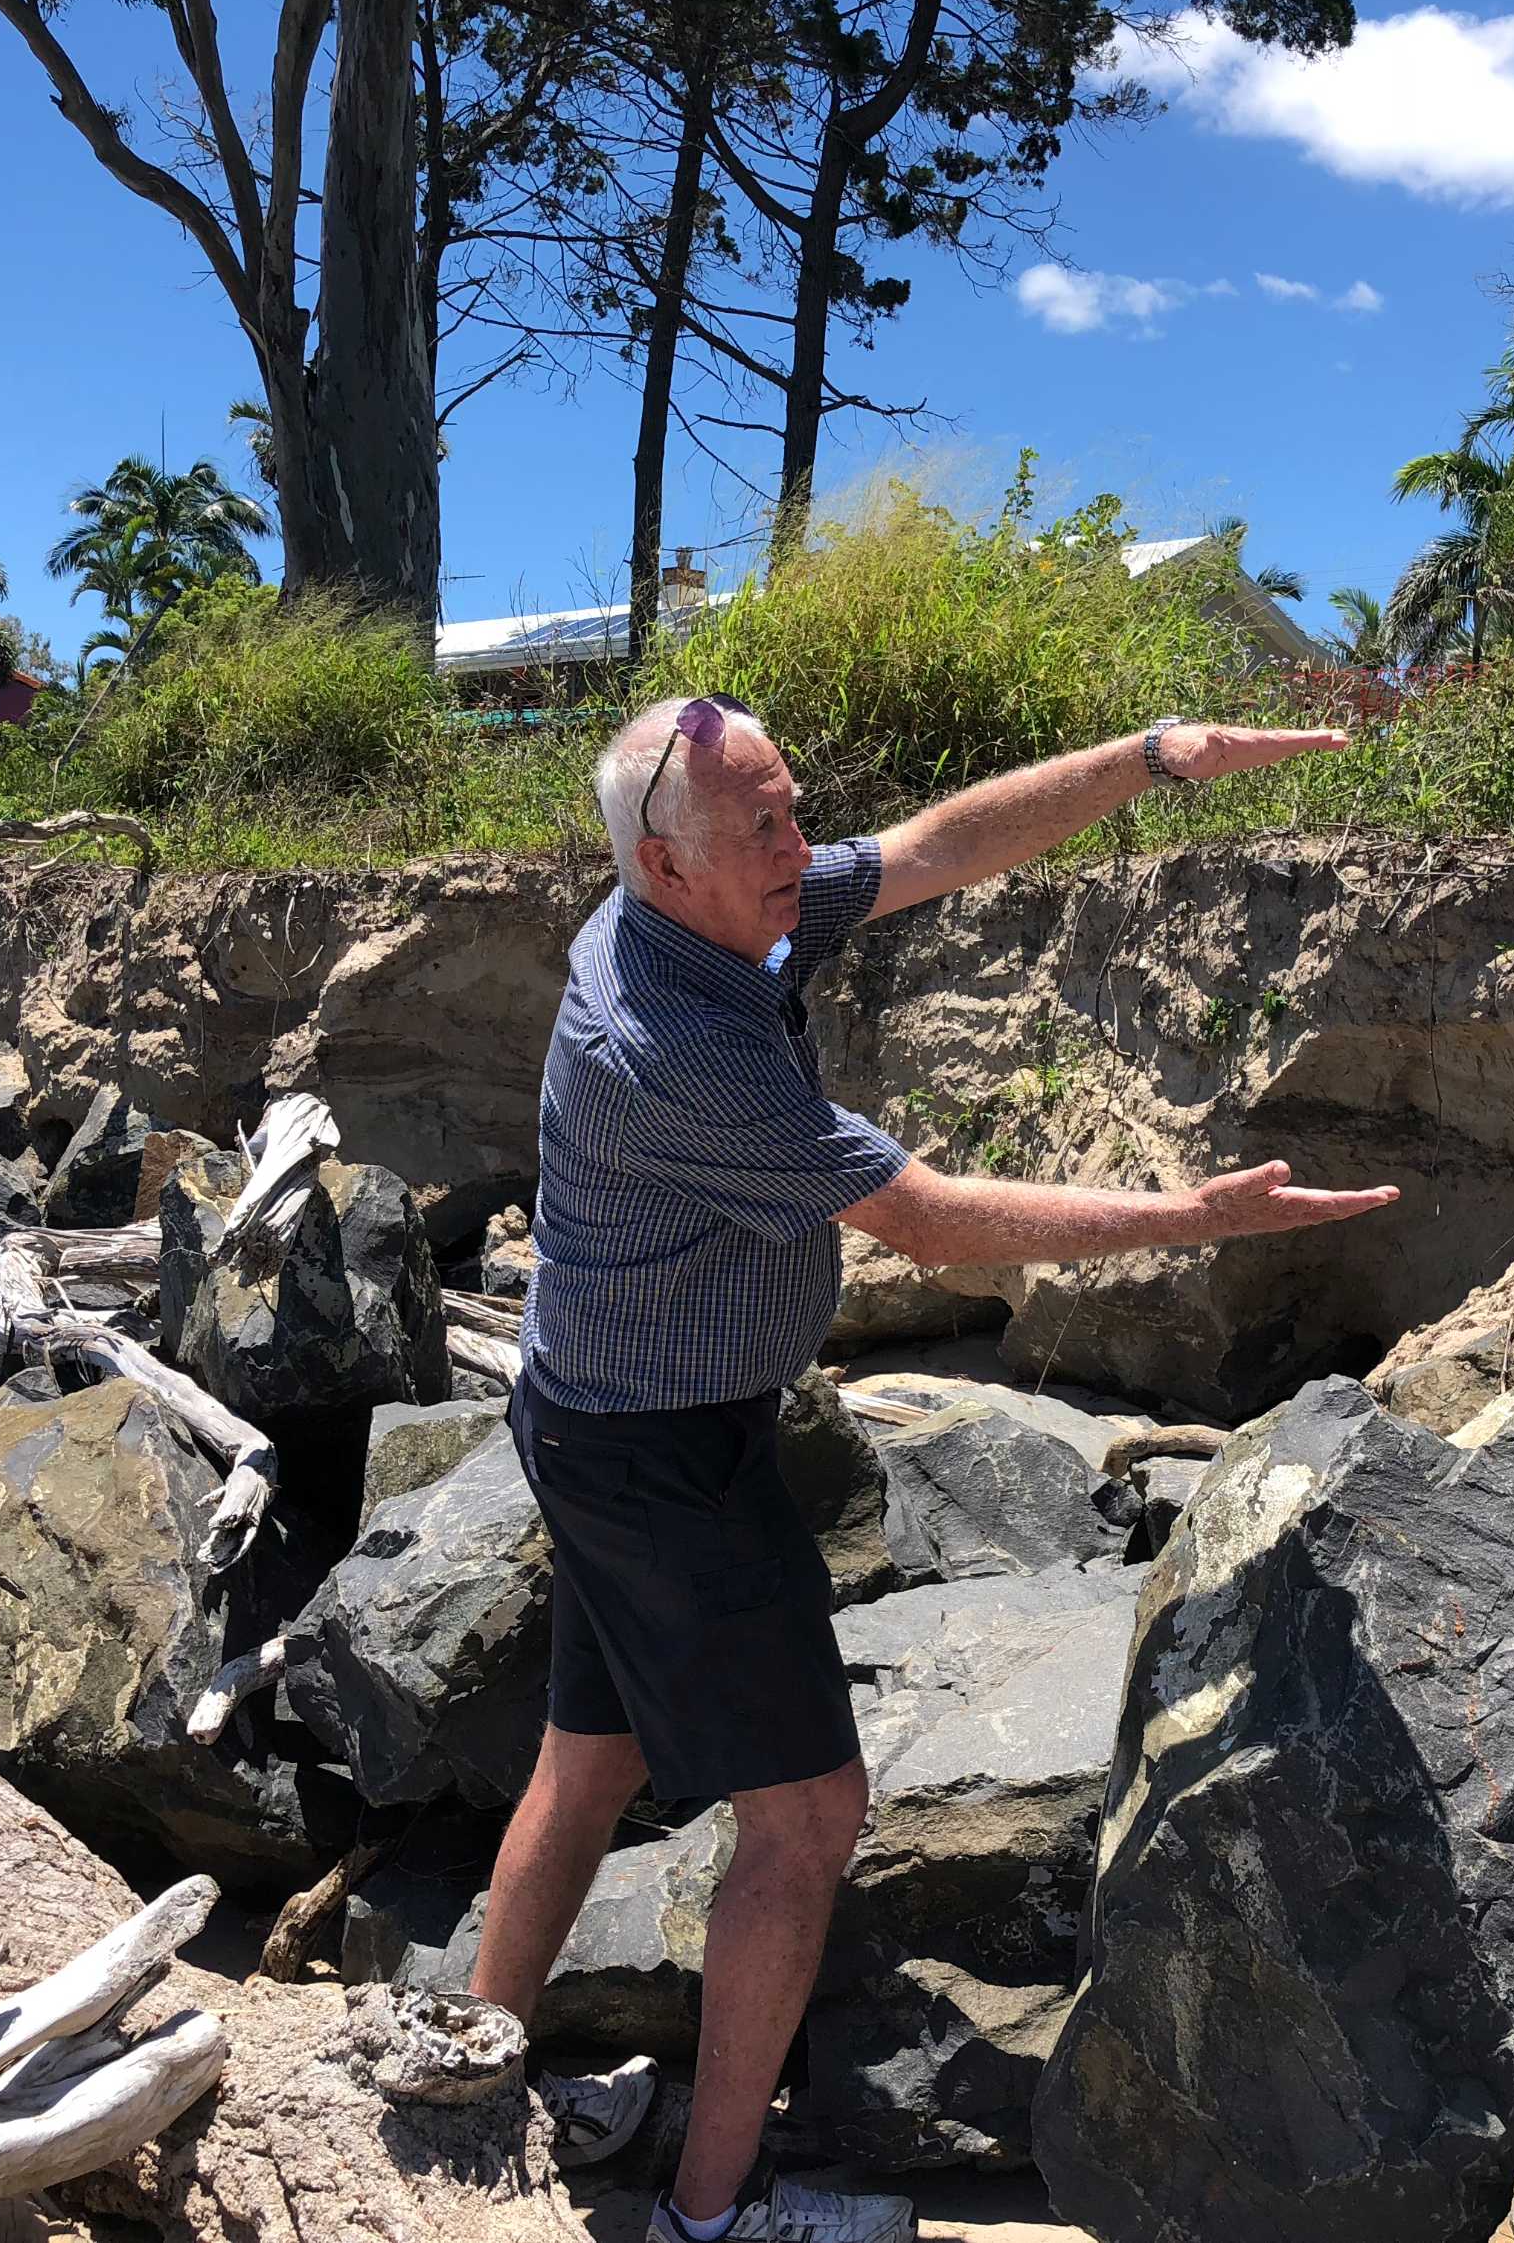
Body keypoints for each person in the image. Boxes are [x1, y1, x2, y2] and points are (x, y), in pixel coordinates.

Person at [471, 695, 1401, 2243]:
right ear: (661, 860)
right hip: (655, 1460)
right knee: (810, 1812)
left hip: (607, 1417)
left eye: (789, 806)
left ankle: (468, 2084)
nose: (795, 844)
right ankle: (714, 2215)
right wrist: (1189, 1218)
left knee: (592, 1761)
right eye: (760, 825)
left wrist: (1145, 757)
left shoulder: (713, 902)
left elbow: (924, 850)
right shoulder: (668, 1039)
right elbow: (927, 1218)